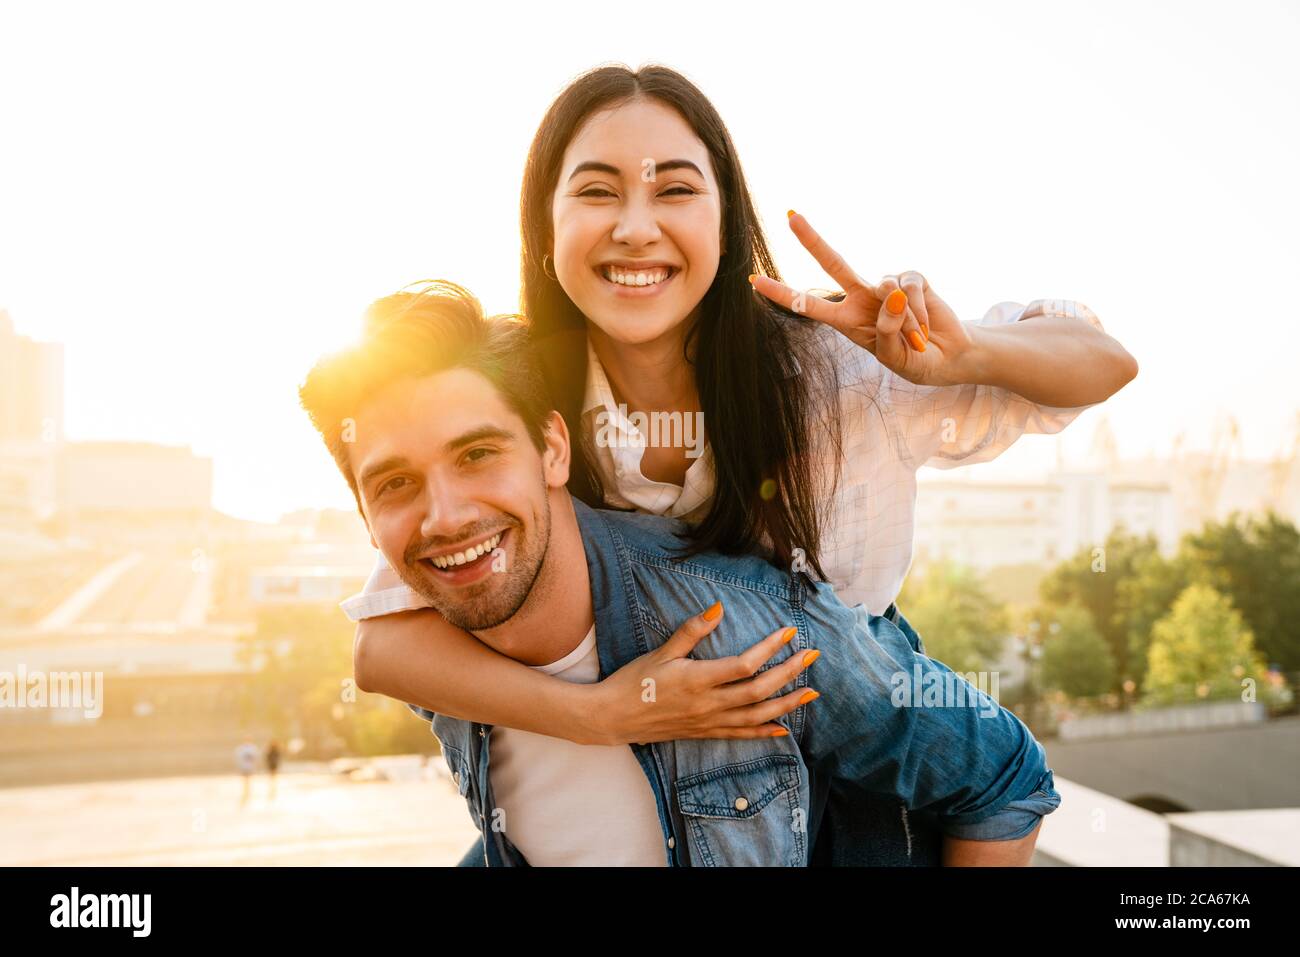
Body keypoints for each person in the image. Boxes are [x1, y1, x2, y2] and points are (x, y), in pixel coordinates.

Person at [342, 65, 1136, 864]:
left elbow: (1105, 363)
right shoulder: (512, 402)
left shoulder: (836, 368)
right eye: (596, 192)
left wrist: (963, 356)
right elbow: (384, 644)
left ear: (726, 222)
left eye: (676, 190)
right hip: (657, 777)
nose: (636, 227)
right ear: (545, 233)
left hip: (859, 766)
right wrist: (605, 713)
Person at [298, 280, 1061, 866]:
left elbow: (1002, 773)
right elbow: (374, 657)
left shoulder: (744, 633)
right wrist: (600, 714)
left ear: (554, 449)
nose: (446, 517)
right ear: (366, 517)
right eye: (395, 483)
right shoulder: (439, 635)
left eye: (477, 454)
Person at [234, 739, 259, 806]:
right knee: (245, 779)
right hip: (244, 767)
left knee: (248, 779)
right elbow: (239, 758)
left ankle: (248, 790)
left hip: (249, 767)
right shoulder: (241, 749)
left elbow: (255, 757)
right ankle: (246, 789)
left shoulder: (252, 748)